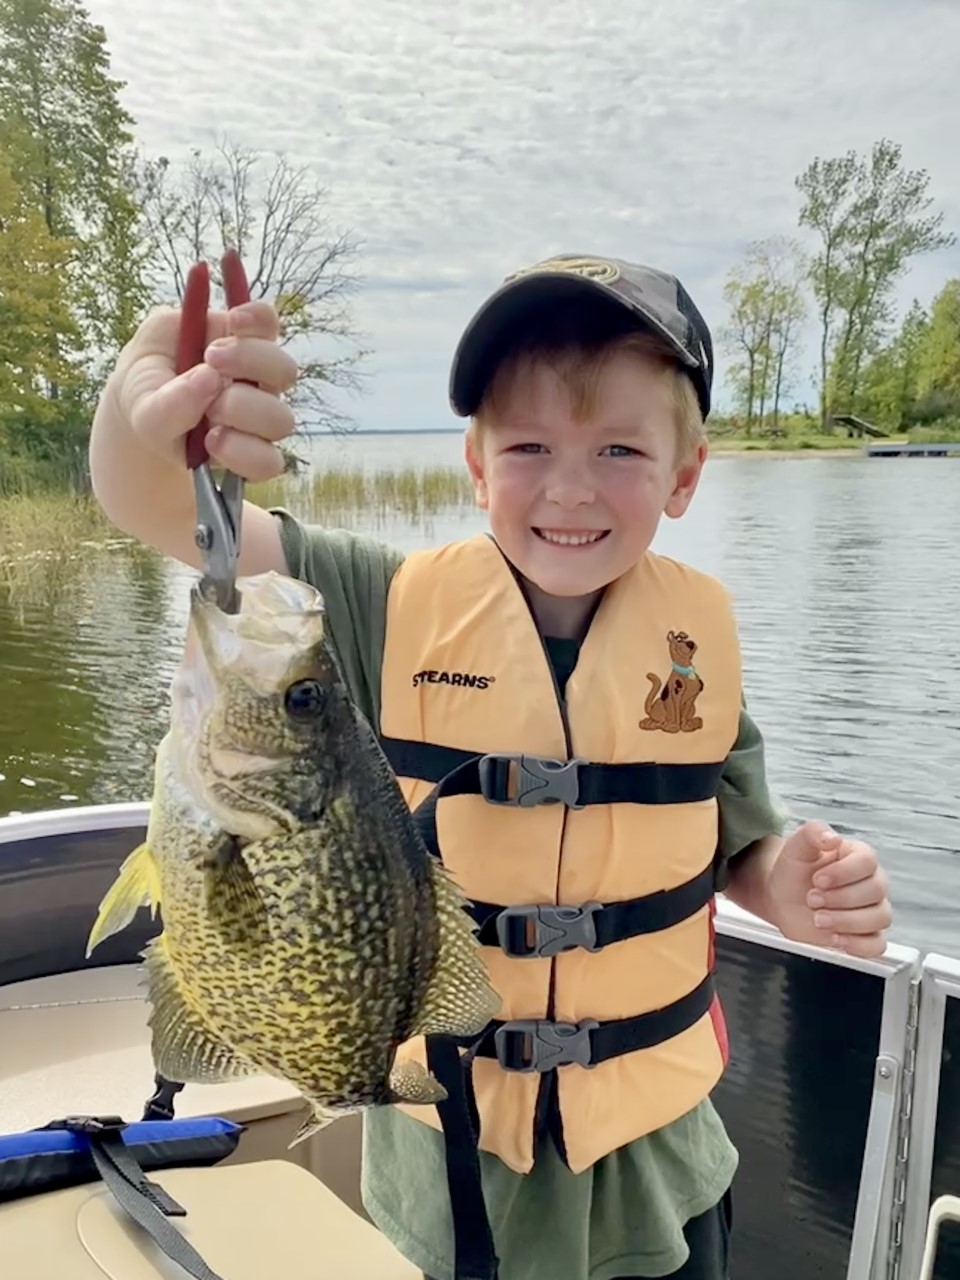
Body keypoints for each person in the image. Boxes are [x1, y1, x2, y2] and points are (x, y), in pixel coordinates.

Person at [88, 252, 893, 1280]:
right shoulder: (381, 601)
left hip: (665, 1167)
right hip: (455, 1174)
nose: (570, 486)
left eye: (618, 448)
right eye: (528, 446)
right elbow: (163, 509)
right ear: (475, 463)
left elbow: (737, 842)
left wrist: (793, 885)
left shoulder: (690, 648)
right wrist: (142, 407)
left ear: (685, 473)